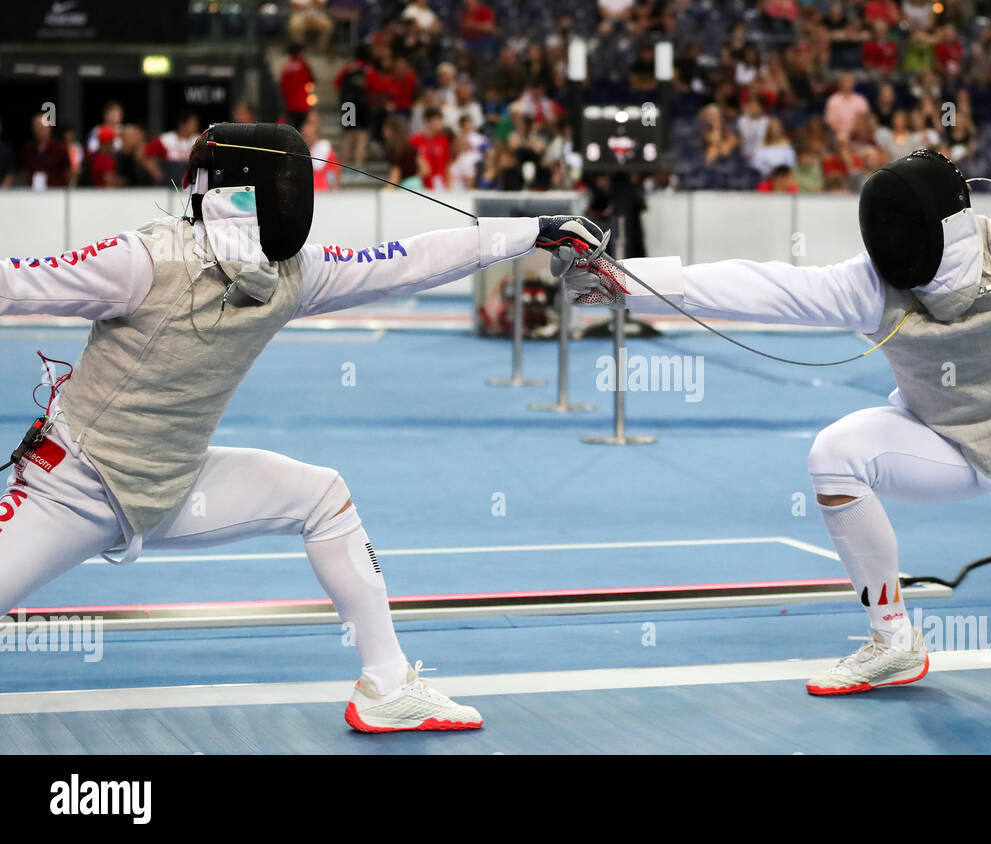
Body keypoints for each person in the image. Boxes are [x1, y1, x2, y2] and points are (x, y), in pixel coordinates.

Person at [555, 37, 991, 694]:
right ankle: (892, 638)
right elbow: (757, 284)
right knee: (834, 454)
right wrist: (626, 277)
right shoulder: (871, 282)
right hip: (939, 442)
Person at [0, 121, 608, 732]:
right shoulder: (143, 261)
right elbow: (15, 283)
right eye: (284, 187)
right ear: (238, 194)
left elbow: (408, 261)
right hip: (73, 489)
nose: (293, 200)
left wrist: (531, 232)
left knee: (322, 496)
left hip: (174, 485)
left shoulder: (291, 276)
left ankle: (388, 686)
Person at [19, 114, 70, 189]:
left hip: (56, 193)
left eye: (43, 127)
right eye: (38, 127)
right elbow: (23, 172)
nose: (41, 130)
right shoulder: (27, 149)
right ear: (33, 129)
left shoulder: (60, 148)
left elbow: (68, 171)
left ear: (50, 128)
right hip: (32, 193)